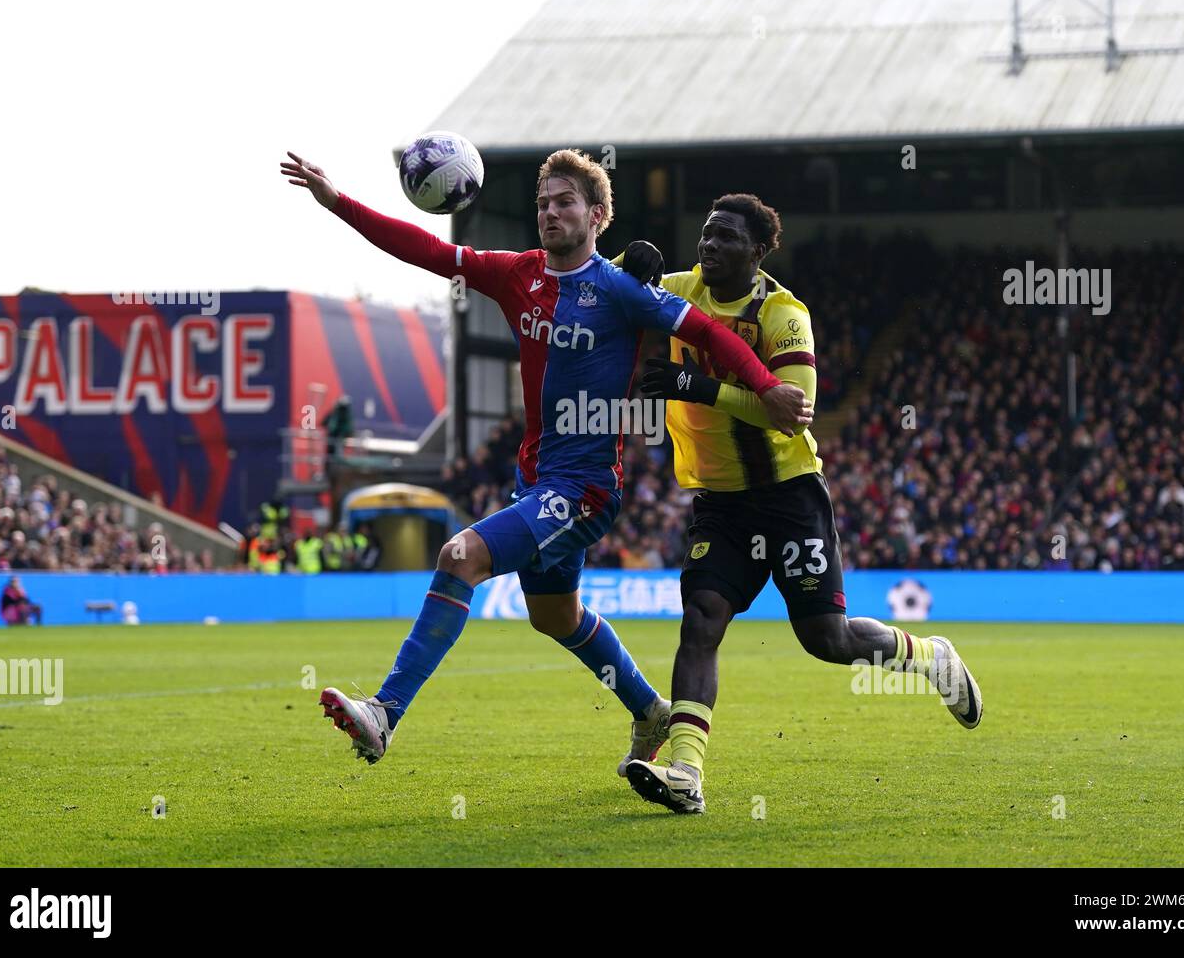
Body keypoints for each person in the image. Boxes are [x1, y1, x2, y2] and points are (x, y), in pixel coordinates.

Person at [281, 148, 812, 770]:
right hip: (535, 479)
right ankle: (650, 712)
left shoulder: (622, 291)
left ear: (598, 215)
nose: (550, 212)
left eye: (565, 202)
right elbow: (425, 250)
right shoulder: (517, 275)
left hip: (585, 487)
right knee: (556, 616)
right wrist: (338, 202)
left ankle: (385, 711)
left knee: (460, 555)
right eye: (543, 203)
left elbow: (711, 332)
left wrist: (767, 387)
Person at [616, 194, 983, 814]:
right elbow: (602, 283)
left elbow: (793, 411)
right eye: (706, 233)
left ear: (757, 252)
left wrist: (699, 386)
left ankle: (931, 657)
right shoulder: (680, 288)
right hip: (721, 503)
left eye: (727, 237)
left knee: (827, 639)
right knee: (701, 619)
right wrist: (629, 262)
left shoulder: (783, 315)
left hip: (788, 495)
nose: (709, 245)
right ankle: (686, 771)